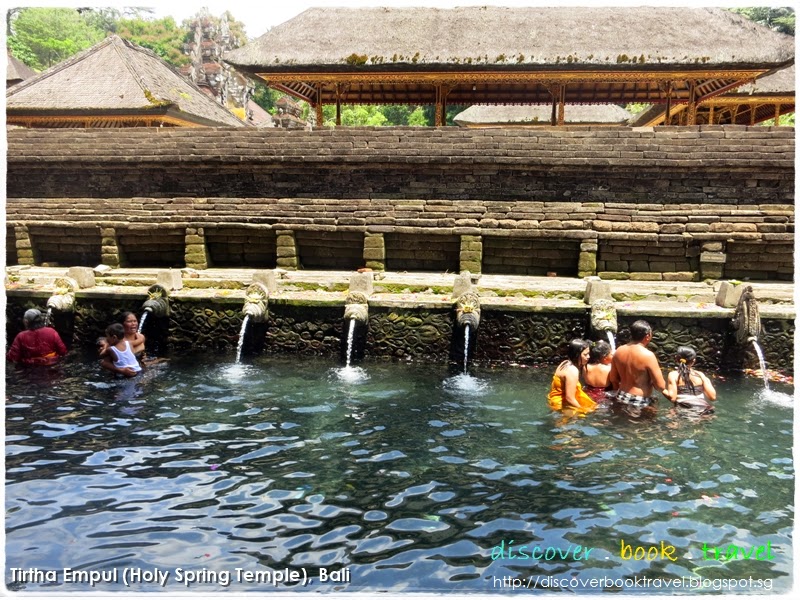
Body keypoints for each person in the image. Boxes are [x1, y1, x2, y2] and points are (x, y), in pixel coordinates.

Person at [609, 320, 674, 415]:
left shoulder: (619, 351)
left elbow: (613, 378)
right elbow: (660, 386)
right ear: (647, 336)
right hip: (639, 400)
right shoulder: (648, 356)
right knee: (644, 427)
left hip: (621, 396)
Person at [547, 338, 597, 414]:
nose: (588, 357)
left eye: (588, 354)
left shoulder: (564, 363)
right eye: (585, 354)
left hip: (555, 402)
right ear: (576, 355)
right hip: (563, 406)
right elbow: (569, 398)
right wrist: (583, 411)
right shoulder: (572, 370)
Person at [667, 346, 716, 413]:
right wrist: (706, 380)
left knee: (671, 414)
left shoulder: (673, 375)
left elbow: (672, 398)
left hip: (685, 409)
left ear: (676, 359)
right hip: (704, 409)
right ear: (694, 361)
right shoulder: (700, 375)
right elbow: (712, 397)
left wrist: (661, 389)